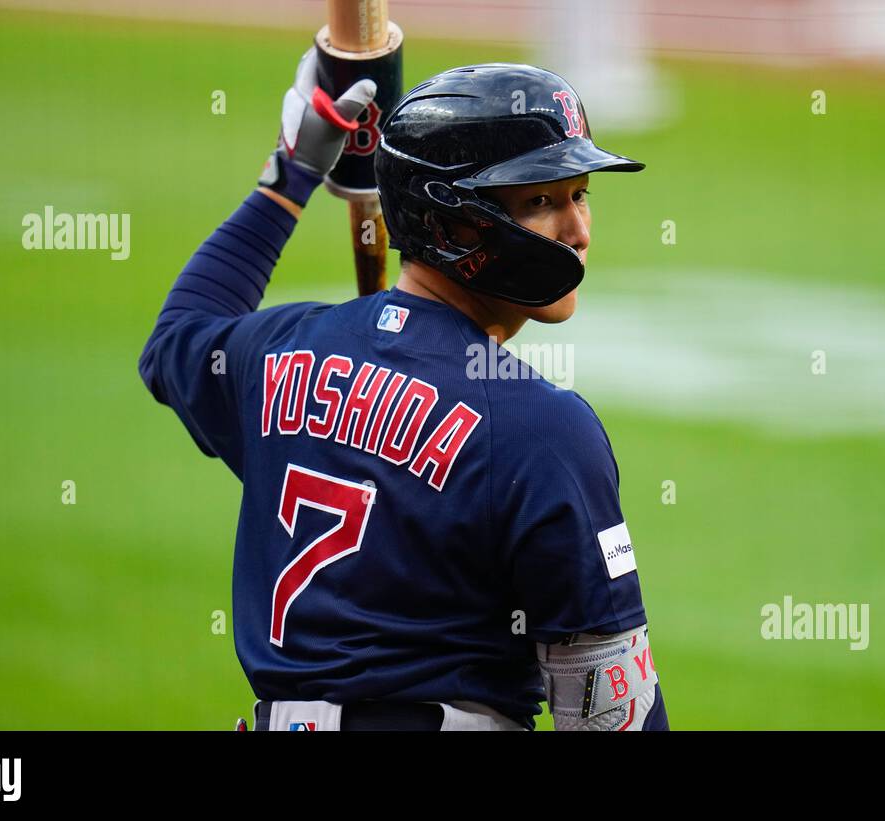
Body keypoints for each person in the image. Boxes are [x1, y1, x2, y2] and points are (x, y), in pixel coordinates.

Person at [139, 45, 667, 731]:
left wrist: (290, 173)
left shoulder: (283, 353)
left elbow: (179, 335)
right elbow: (610, 714)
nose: (578, 230)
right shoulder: (541, 428)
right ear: (450, 224)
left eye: (579, 194)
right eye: (541, 200)